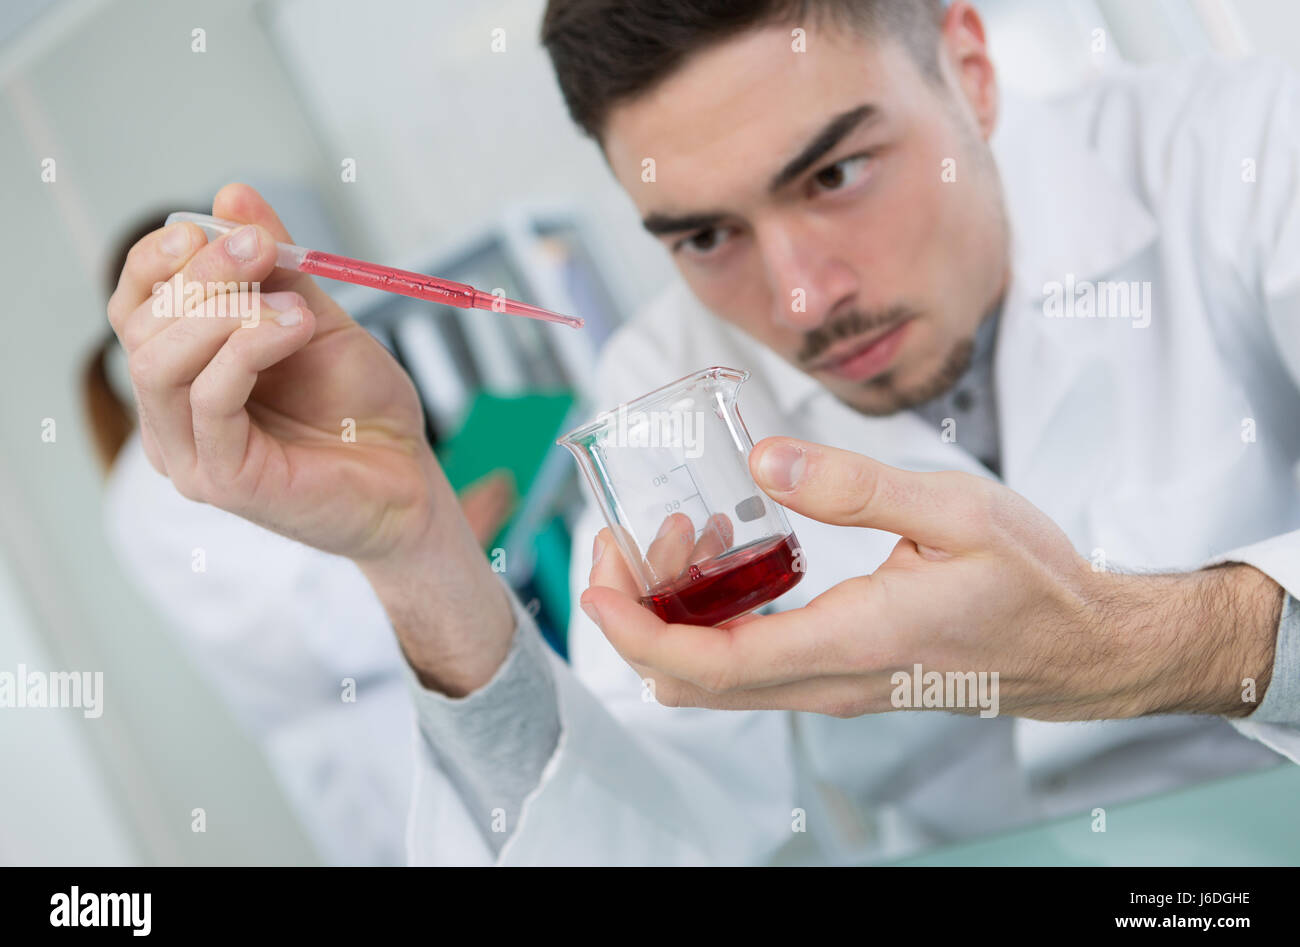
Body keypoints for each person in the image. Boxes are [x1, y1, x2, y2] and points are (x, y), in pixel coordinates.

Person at [104, 0, 1300, 865]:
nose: (796, 300)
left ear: (970, 68)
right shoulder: (666, 383)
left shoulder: (1249, 156)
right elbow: (645, 846)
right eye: (701, 236)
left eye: (833, 174)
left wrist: (1147, 643)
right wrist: (414, 549)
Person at [91, 212, 513, 864]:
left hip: (431, 715)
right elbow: (330, 629)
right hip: (377, 753)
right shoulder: (150, 488)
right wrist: (441, 534)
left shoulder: (256, 404)